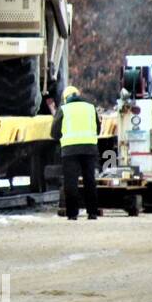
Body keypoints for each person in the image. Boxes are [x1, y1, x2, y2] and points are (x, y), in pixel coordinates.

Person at [51, 85, 101, 221]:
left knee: (71, 182)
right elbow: (98, 128)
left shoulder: (64, 109)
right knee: (90, 181)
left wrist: (61, 137)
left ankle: (72, 214)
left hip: (69, 150)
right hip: (89, 149)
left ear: (66, 98)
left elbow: (54, 131)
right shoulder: (90, 108)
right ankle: (92, 213)